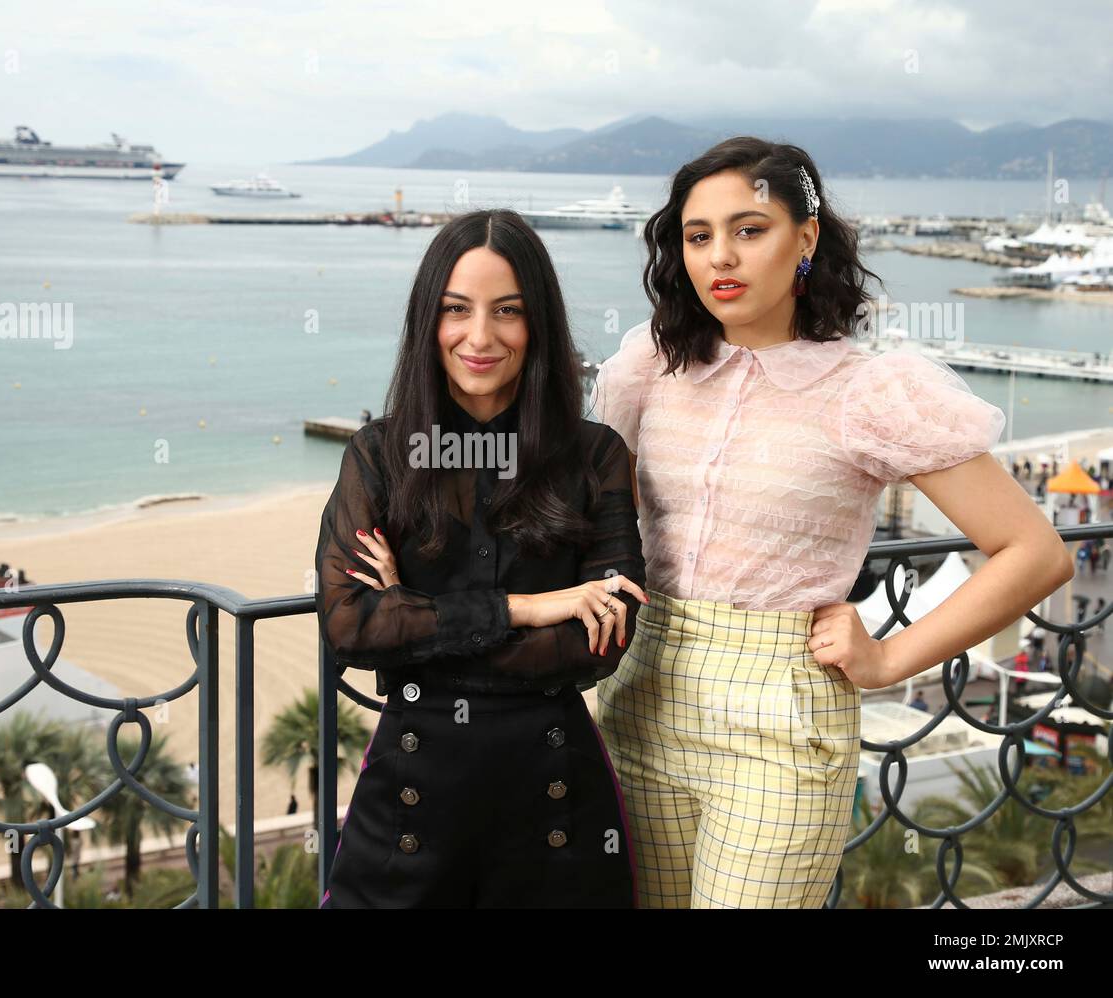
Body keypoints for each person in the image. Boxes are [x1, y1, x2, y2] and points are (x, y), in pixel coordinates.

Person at [593, 135, 1075, 908]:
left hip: (779, 716)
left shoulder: (868, 392)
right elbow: (599, 524)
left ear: (806, 238)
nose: (722, 256)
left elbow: (1034, 551)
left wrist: (889, 661)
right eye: (699, 235)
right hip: (639, 693)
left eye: (750, 230)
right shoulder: (650, 370)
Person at [315, 209, 647, 908]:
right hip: (406, 803)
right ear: (427, 322)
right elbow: (348, 627)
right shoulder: (378, 454)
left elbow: (599, 647)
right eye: (456, 310)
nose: (480, 336)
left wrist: (413, 621)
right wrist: (530, 608)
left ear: (540, 327)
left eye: (508, 312)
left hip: (556, 803)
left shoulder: (595, 456)